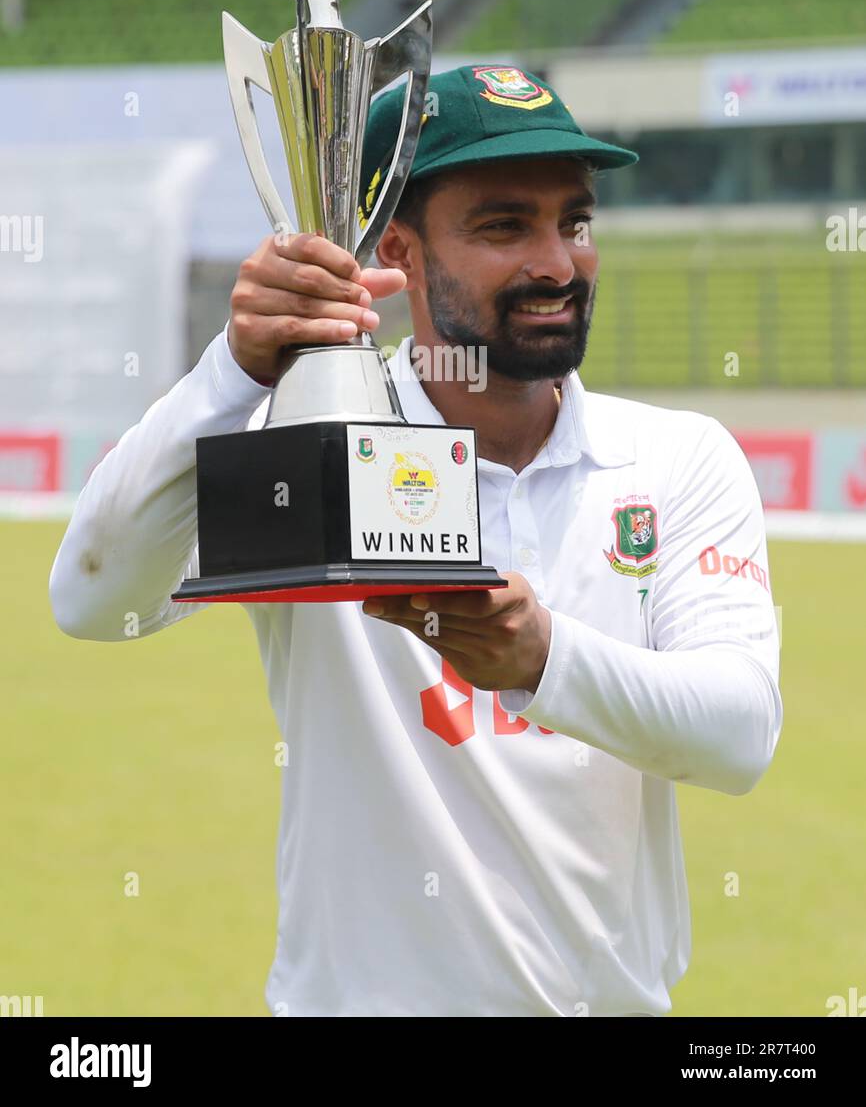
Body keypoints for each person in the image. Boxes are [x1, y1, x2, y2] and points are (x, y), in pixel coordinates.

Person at [49, 64, 783, 1018]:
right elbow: (94, 599)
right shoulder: (307, 447)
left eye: (576, 220)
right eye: (504, 225)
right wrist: (228, 372)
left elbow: (738, 735)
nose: (559, 262)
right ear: (395, 249)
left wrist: (541, 656)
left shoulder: (678, 458)